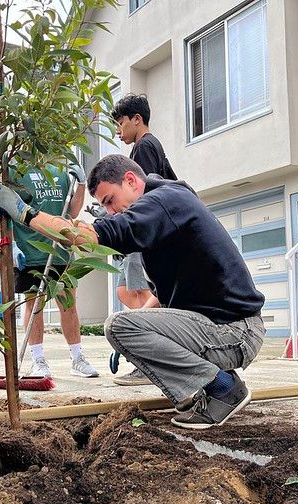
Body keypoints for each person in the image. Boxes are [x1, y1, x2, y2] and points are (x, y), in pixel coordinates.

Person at [0, 154, 266, 430]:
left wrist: (25, 213)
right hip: (224, 329)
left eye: (110, 200)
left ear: (131, 181)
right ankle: (214, 386)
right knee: (126, 327)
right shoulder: (166, 207)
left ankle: (223, 389)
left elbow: (88, 238)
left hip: (234, 333)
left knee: (117, 325)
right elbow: (160, 297)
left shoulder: (162, 201)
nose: (111, 211)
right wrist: (140, 337)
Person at [110, 93, 178, 386]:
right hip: (151, 233)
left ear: (136, 119)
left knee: (141, 294)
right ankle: (144, 353)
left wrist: (131, 232)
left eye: (121, 123)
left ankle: (146, 361)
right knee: (130, 291)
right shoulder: (151, 146)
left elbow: (145, 198)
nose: (118, 130)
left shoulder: (144, 147)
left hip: (147, 233)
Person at [10, 164, 99, 379]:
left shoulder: (60, 171)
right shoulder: (16, 170)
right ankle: (38, 360)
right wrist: (11, 244)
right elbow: (8, 209)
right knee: (34, 306)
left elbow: (72, 212)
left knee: (68, 305)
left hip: (62, 251)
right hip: (30, 251)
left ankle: (77, 358)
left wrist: (81, 184)